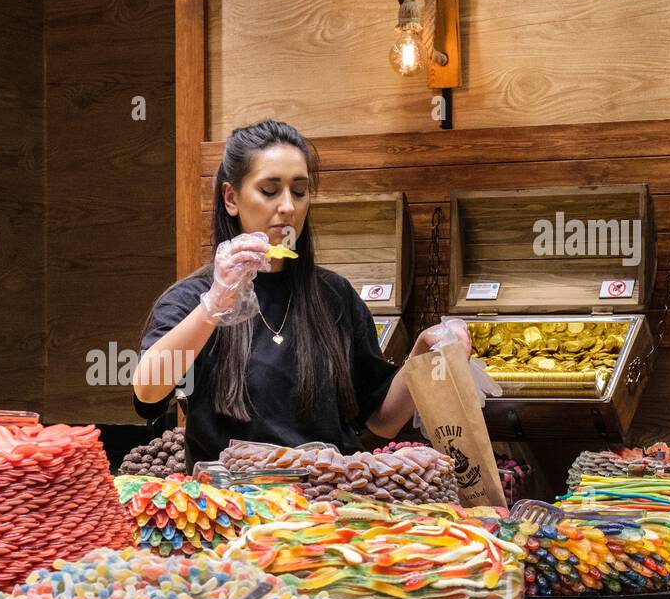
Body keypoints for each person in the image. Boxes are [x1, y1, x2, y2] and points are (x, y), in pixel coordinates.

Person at [132, 118, 469, 466]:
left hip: (327, 504)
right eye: (269, 190)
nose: (288, 207)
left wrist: (424, 355)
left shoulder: (334, 296)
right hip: (233, 507)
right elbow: (148, 393)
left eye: (299, 190)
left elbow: (382, 421)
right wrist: (214, 304)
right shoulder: (191, 298)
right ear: (231, 198)